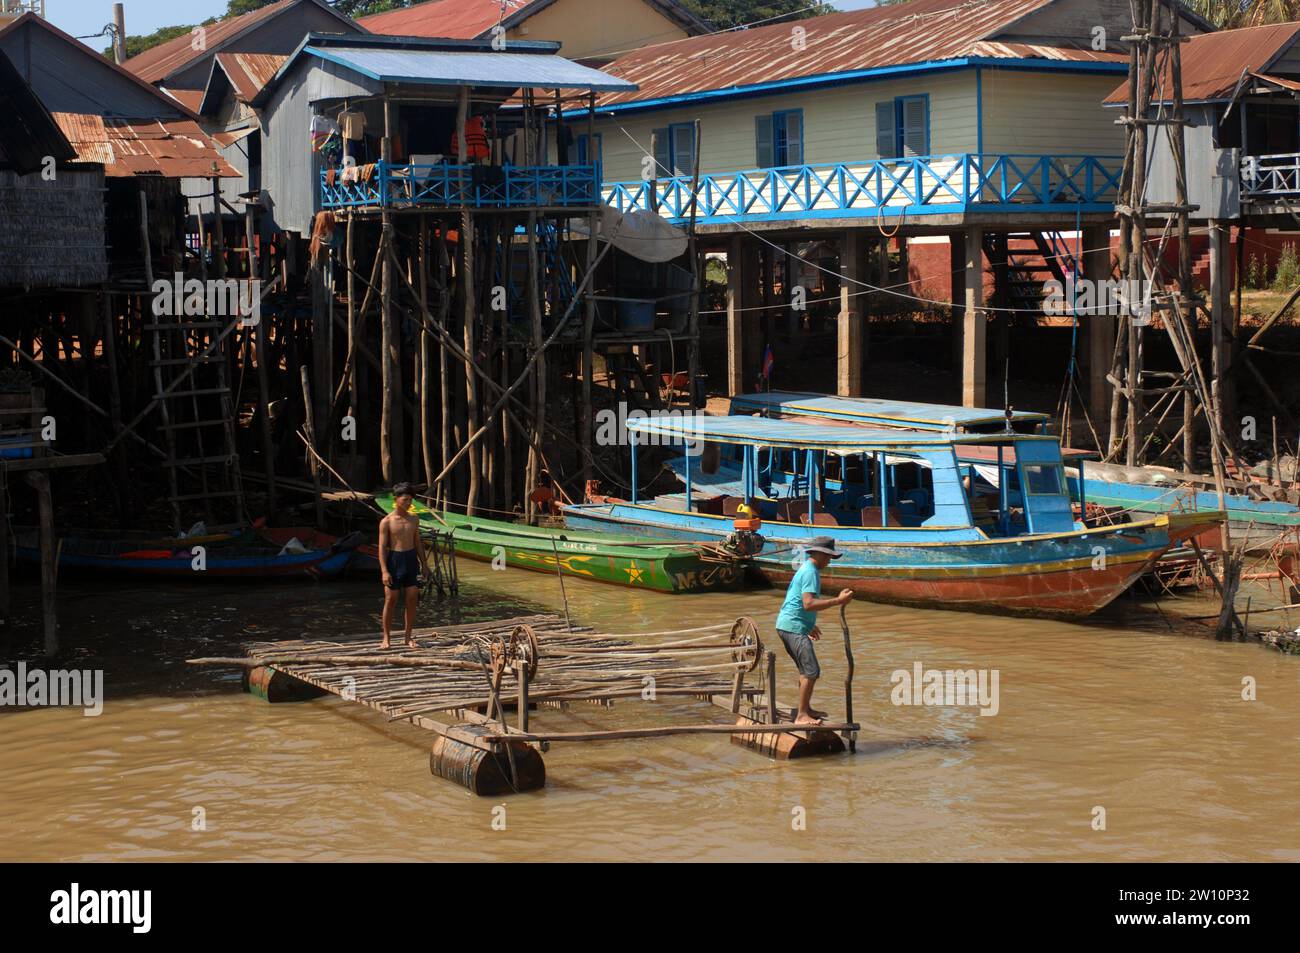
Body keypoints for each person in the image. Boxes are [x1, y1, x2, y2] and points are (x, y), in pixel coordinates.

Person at [774, 536, 853, 725]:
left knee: (806, 670)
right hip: (792, 628)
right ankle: (801, 715)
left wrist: (808, 625)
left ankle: (806, 708)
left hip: (790, 625)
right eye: (827, 556)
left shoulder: (808, 570)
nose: (828, 561)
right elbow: (808, 604)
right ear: (816, 553)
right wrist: (838, 601)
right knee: (811, 671)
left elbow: (795, 602)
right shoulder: (811, 572)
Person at [379, 483, 428, 649]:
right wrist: (384, 571)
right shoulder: (387, 521)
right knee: (391, 600)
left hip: (411, 559)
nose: (409, 503)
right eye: (405, 499)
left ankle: (408, 637)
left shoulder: (414, 519)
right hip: (394, 560)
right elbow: (381, 548)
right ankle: (386, 638)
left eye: (411, 500)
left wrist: (424, 564)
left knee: (412, 598)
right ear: (396, 499)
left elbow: (418, 543)